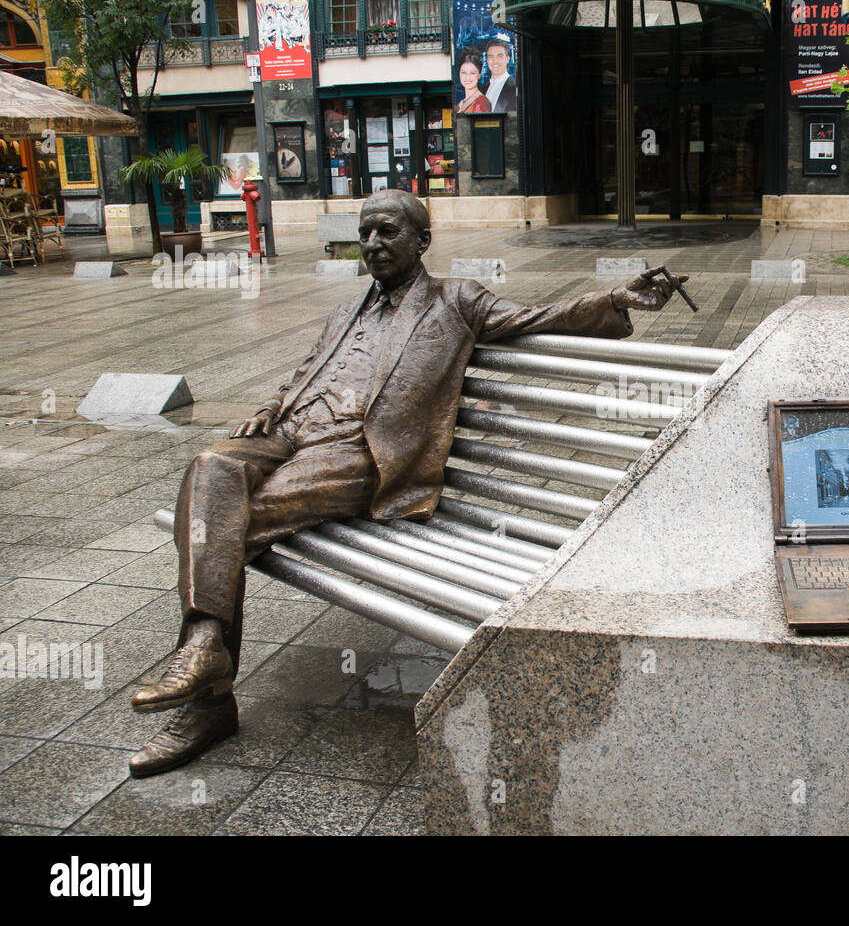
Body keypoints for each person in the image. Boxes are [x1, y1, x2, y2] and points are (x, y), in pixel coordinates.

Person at [126, 189, 686, 778]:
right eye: (365, 233)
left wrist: (616, 297)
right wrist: (270, 407)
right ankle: (205, 652)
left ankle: (205, 699)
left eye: (387, 232)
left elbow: (537, 317)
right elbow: (307, 373)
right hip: (291, 431)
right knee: (213, 464)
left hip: (362, 454)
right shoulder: (346, 311)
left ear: (421, 241)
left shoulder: (456, 301)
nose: (373, 245)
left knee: (219, 522)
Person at [484, 40, 517, 112]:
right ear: (487, 60)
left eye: (499, 56)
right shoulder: (483, 89)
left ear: (507, 59)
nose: (495, 61)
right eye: (491, 57)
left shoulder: (516, 88)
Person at [455, 50, 490, 114]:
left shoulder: (482, 102)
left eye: (472, 73)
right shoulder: (460, 103)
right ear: (459, 74)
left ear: (479, 75)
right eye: (463, 73)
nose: (467, 77)